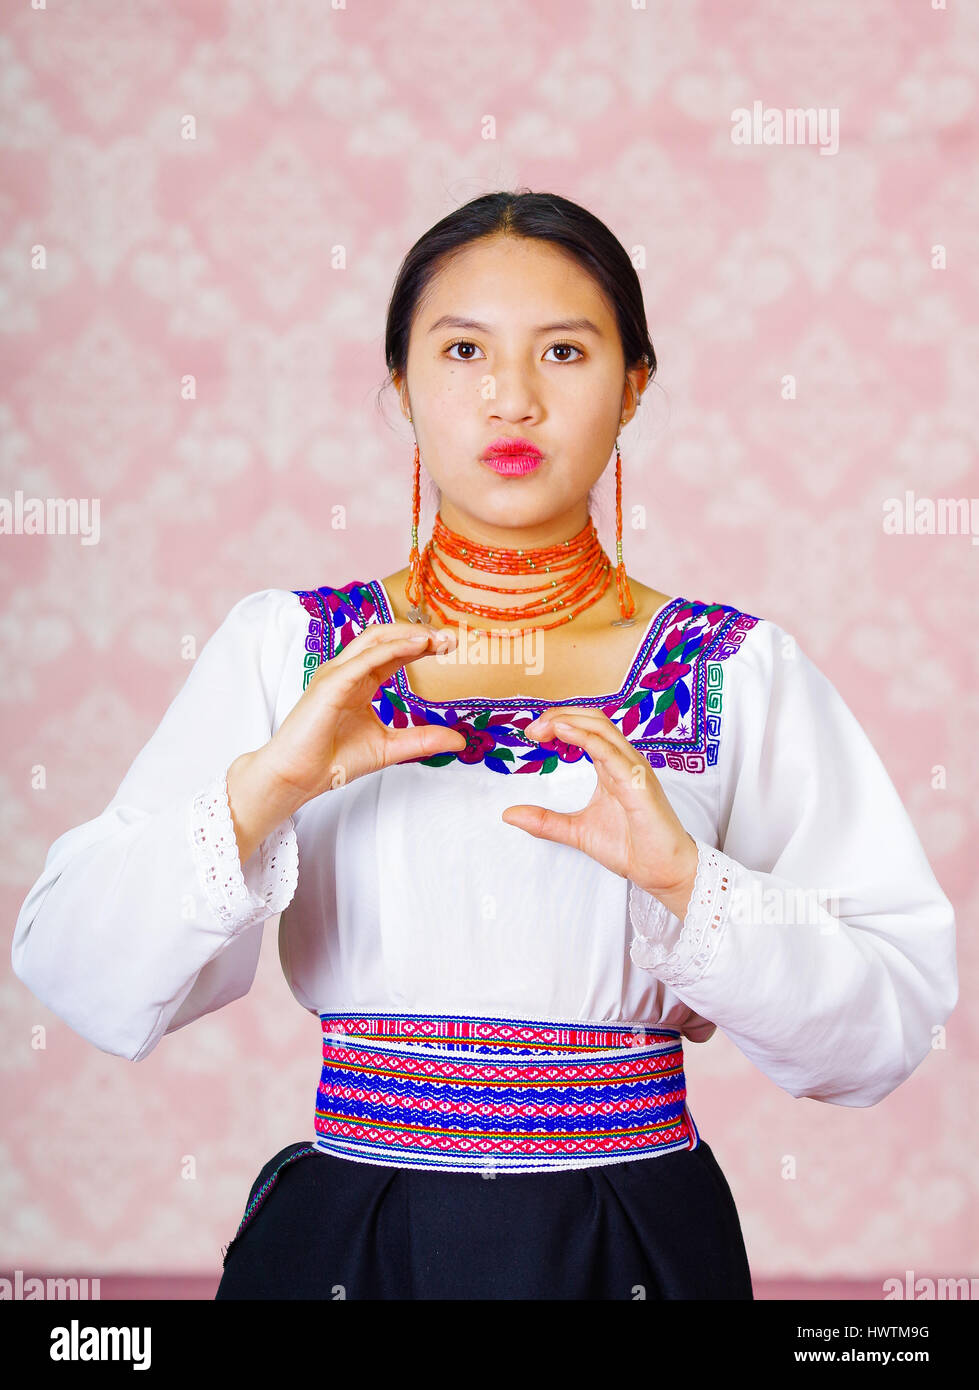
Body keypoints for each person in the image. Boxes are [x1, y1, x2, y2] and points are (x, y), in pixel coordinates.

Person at [12, 190, 957, 1302]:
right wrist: (264, 791)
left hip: (637, 1238)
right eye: (463, 351)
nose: (512, 396)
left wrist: (686, 884)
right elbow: (77, 967)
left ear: (634, 385)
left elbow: (884, 1029)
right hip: (351, 1240)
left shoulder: (734, 668)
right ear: (402, 386)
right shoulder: (292, 652)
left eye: (565, 349)